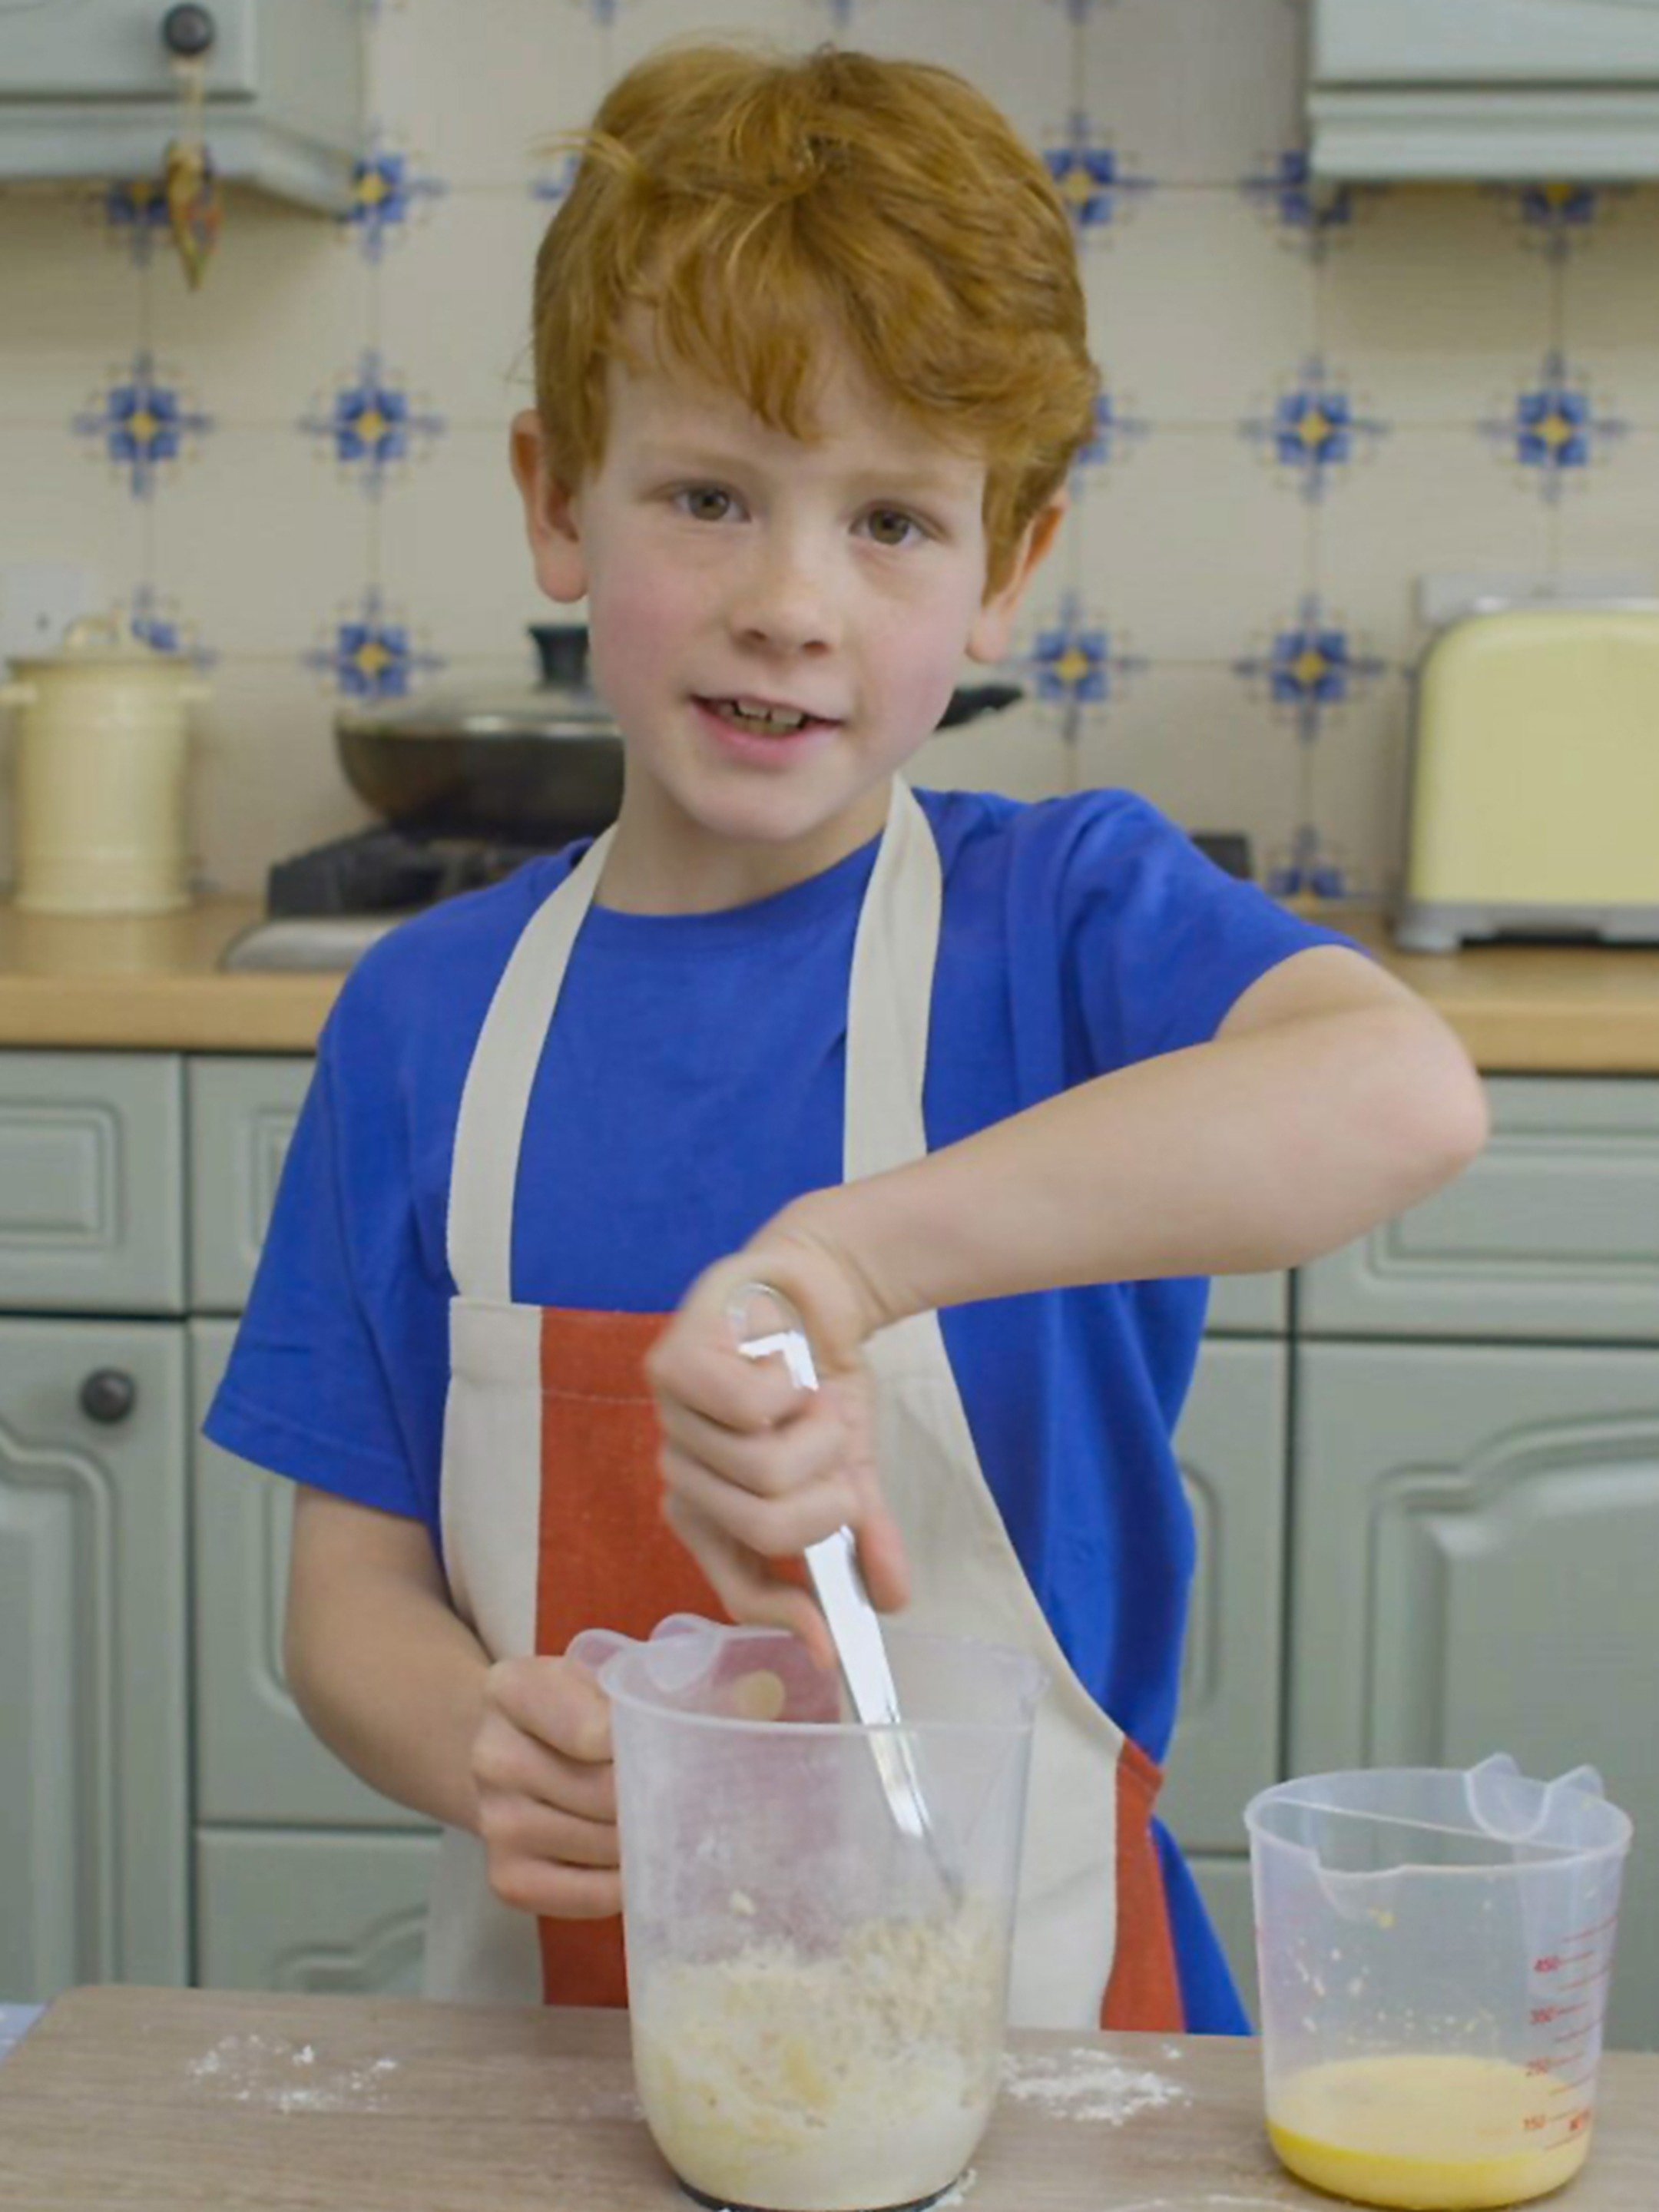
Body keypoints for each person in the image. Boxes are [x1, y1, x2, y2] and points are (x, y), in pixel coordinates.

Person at [205, 40, 1488, 2035]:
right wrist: (479, 1738)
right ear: (560, 503)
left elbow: (1404, 1092)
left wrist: (847, 1260)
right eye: (711, 494)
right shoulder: (420, 1023)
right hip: (554, 2073)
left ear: (1010, 573)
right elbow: (348, 1596)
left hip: (1051, 2056)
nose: (790, 602)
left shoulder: (1058, 932)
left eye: (892, 520)